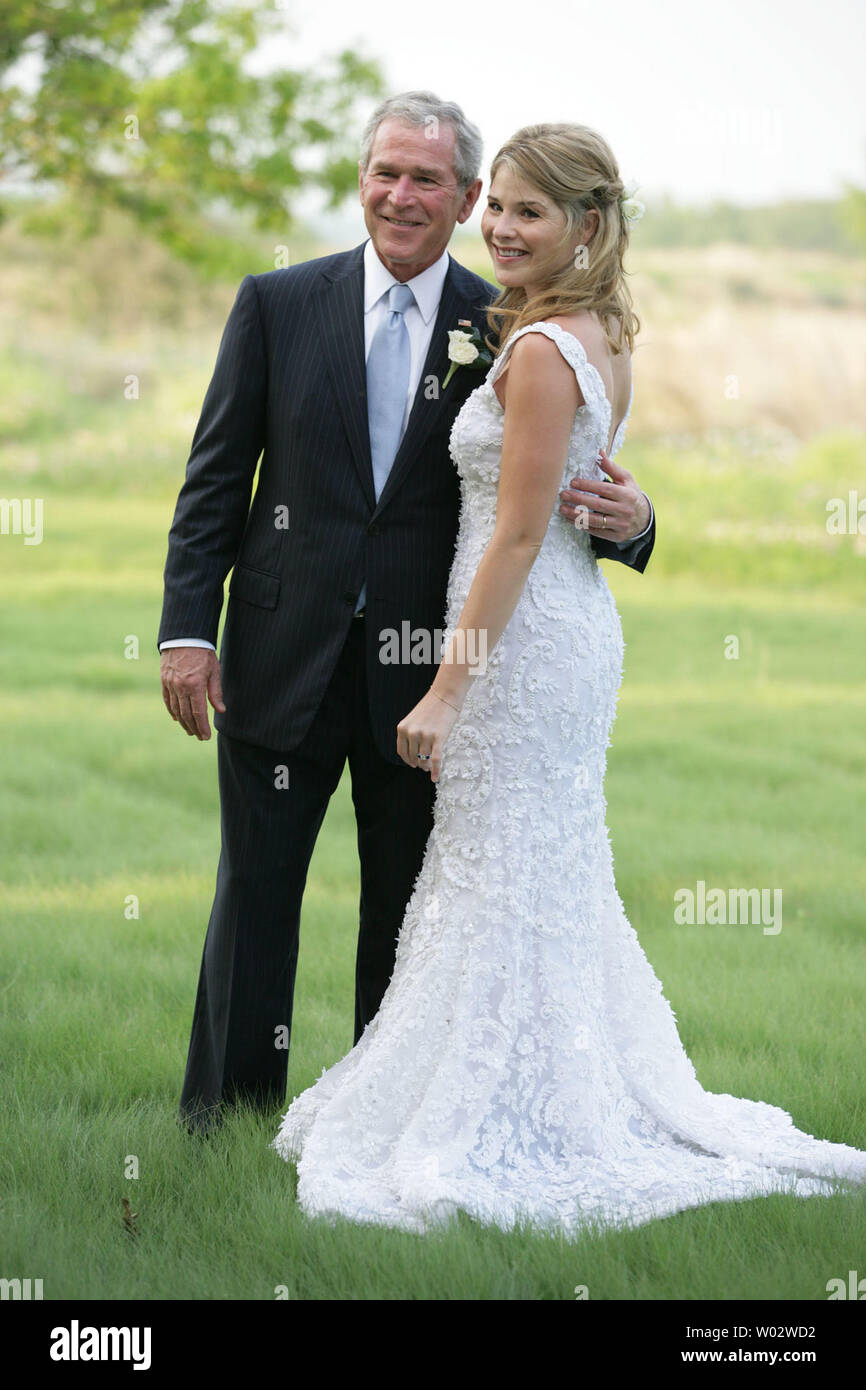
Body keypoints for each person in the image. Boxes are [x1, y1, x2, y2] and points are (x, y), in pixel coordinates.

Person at [271, 121, 866, 1234]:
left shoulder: (542, 352)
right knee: (522, 869)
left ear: (585, 225)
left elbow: (512, 534)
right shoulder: (592, 331)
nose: (498, 226)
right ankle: (540, 1086)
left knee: (501, 870)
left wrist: (447, 686)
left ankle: (511, 1110)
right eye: (492, 204)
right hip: (552, 629)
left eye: (526, 211)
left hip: (520, 640)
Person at [158, 93, 655, 1134]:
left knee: (408, 907)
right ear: (361, 178)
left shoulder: (511, 316)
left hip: (432, 669)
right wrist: (188, 630)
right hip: (280, 649)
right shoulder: (276, 303)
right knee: (254, 896)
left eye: (427, 179)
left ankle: (377, 1123)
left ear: (463, 196)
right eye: (385, 171)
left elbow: (555, 494)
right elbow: (214, 482)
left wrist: (639, 518)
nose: (400, 194)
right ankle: (225, 1119)